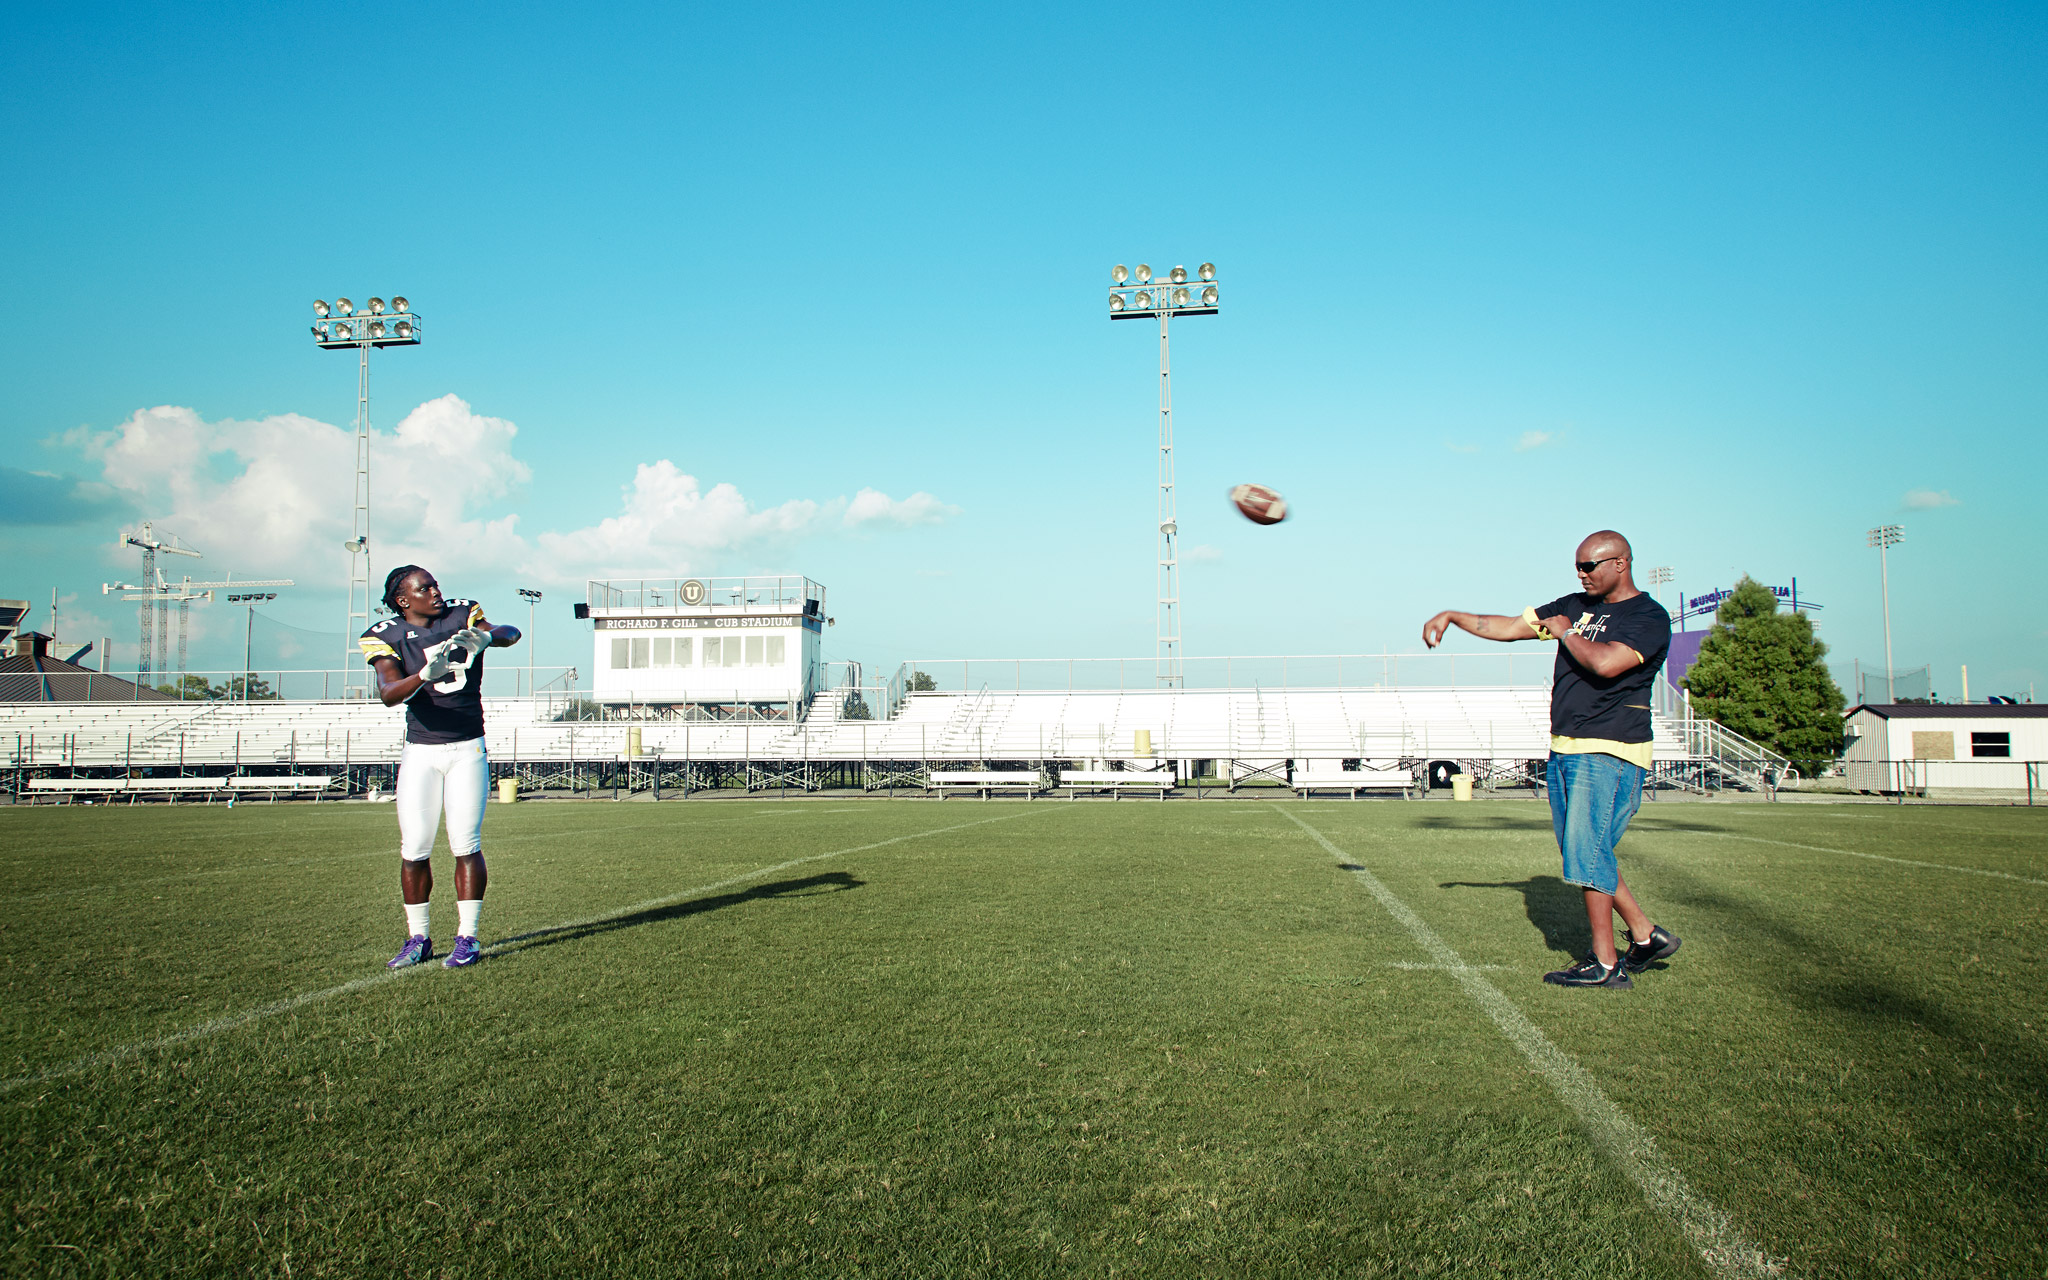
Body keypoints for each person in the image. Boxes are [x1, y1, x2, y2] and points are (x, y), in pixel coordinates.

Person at [1421, 530, 1681, 990]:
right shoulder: (1575, 605)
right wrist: (1453, 616)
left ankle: (1606, 963)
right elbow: (1508, 627)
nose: (1581, 574)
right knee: (1585, 849)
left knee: (1587, 850)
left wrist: (1566, 632)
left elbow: (1606, 664)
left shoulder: (1649, 616)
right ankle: (1644, 935)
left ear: (1621, 563)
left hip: (1610, 747)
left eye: (1590, 566)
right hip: (1566, 745)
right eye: (1577, 566)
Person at [360, 565, 521, 970]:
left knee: (465, 843)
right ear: (403, 600)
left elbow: (510, 632)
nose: (436, 592)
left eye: (435, 585)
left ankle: (468, 936)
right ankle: (418, 938)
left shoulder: (461, 614)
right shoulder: (385, 635)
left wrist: (487, 637)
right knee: (414, 847)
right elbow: (388, 693)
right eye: (425, 588)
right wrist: (421, 676)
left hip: (467, 747)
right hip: (421, 751)